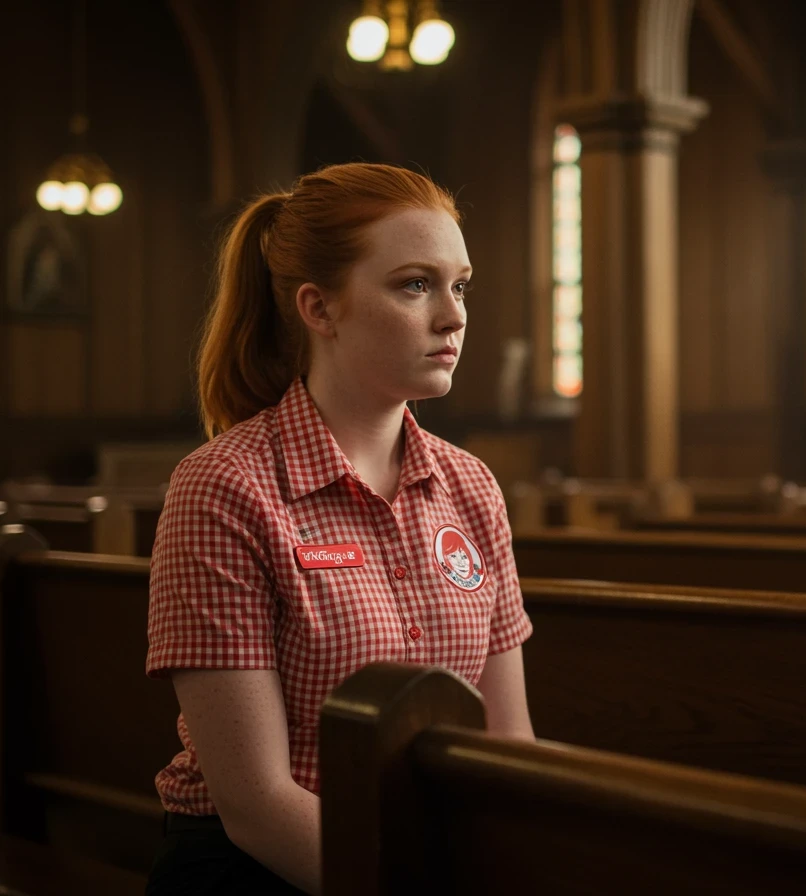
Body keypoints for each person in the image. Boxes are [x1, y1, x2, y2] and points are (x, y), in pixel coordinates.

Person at [144, 162, 535, 895]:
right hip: (259, 871)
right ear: (319, 309)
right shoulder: (226, 487)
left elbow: (508, 744)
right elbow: (256, 806)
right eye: (415, 284)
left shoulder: (472, 487)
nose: (453, 316)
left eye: (460, 285)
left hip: (432, 857)